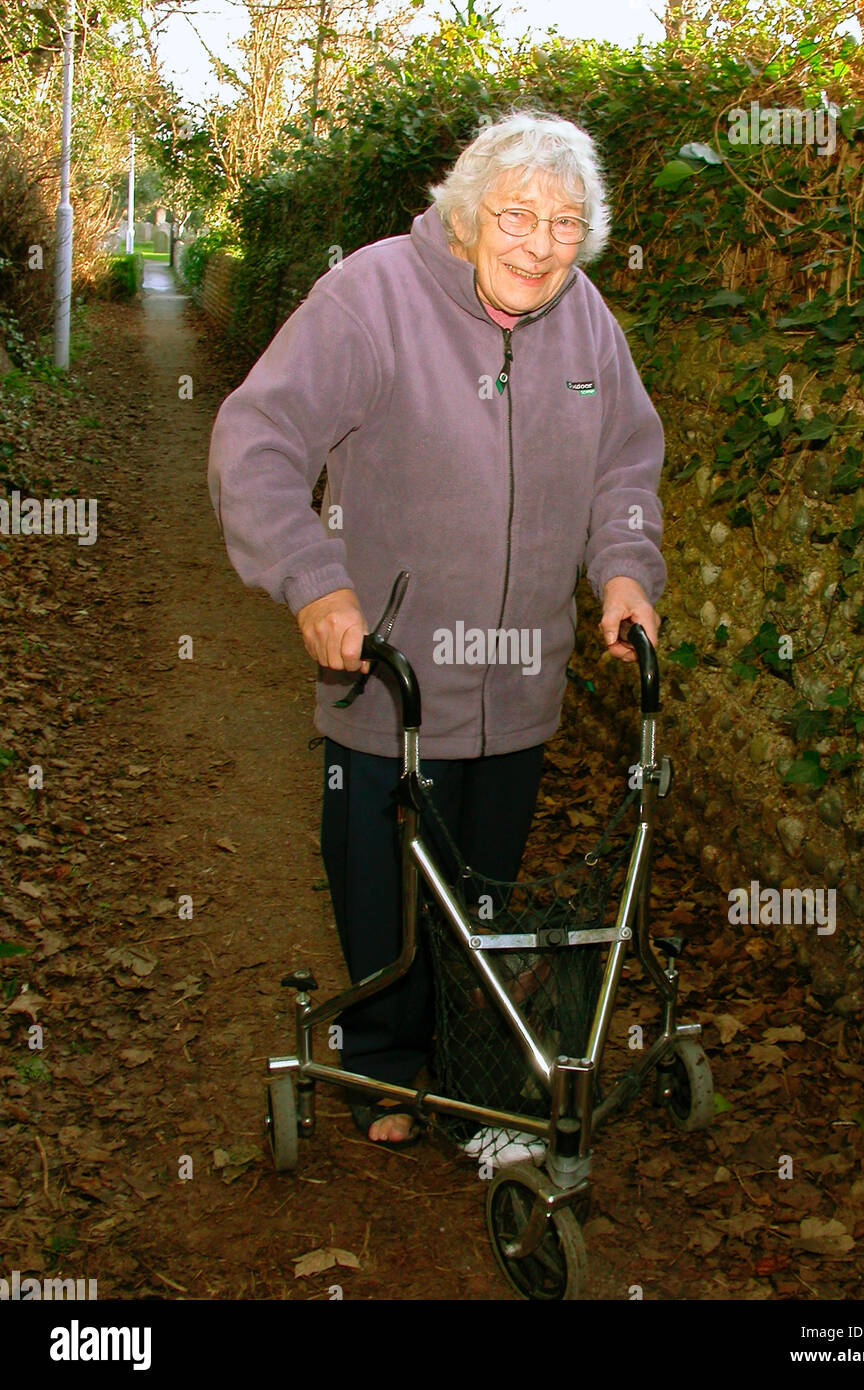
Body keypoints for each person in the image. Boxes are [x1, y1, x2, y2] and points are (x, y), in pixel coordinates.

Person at [208, 111, 665, 1152]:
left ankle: (467, 1059)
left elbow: (625, 464)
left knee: (483, 899)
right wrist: (314, 581)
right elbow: (257, 440)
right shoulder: (370, 297)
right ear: (466, 216)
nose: (539, 243)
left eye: (565, 222)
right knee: (386, 896)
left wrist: (629, 569)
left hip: (522, 685)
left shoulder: (588, 321)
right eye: (516, 214)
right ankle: (379, 1066)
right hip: (390, 679)